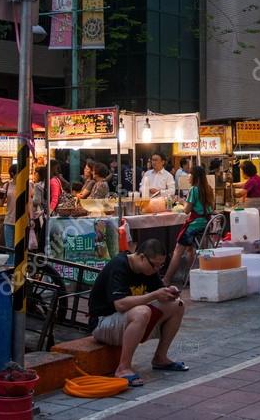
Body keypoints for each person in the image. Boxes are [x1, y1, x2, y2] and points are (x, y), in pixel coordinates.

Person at [89, 239, 188, 387]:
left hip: (125, 320)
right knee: (142, 312)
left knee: (177, 305)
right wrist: (153, 296)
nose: (157, 270)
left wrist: (170, 292)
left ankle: (160, 358)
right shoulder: (119, 265)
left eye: (160, 266)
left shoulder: (149, 269)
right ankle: (123, 368)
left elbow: (159, 291)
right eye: (154, 265)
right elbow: (120, 304)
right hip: (103, 322)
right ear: (142, 257)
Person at [163, 166, 214, 286]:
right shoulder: (209, 189)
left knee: (178, 250)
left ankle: (166, 279)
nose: (188, 176)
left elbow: (186, 210)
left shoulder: (194, 190)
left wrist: (181, 202)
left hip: (195, 225)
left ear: (195, 176)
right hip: (206, 224)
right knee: (189, 248)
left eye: (190, 174)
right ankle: (191, 276)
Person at [0, 164, 19, 249]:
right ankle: (10, 263)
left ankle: (20, 262)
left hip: (21, 221)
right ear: (12, 174)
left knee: (19, 247)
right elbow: (0, 203)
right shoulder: (6, 186)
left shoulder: (26, 185)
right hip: (9, 220)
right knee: (9, 247)